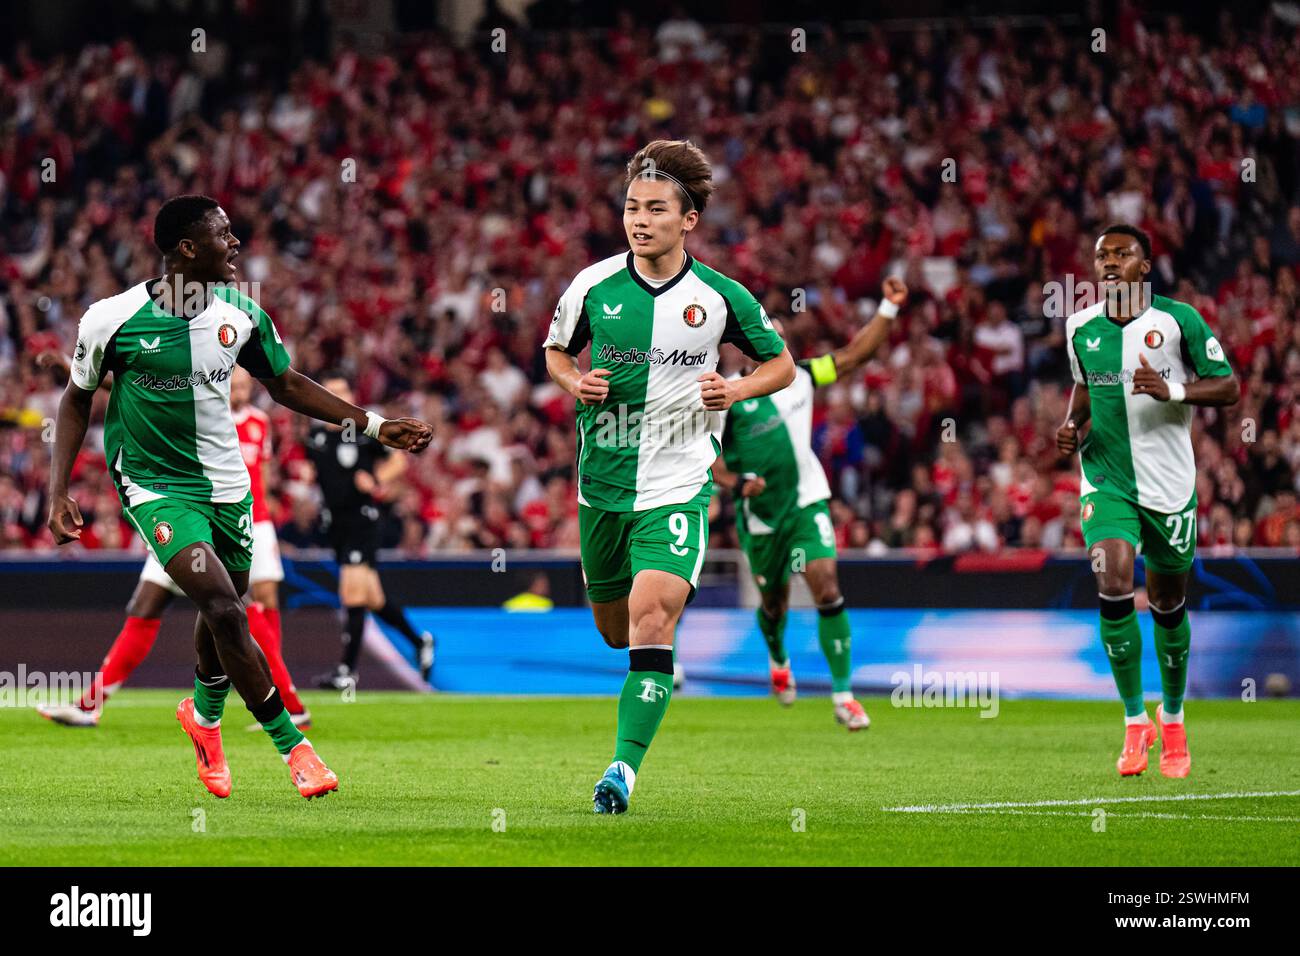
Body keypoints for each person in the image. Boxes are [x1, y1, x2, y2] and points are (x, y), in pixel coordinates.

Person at [47, 194, 433, 799]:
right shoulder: (110, 319)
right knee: (228, 609)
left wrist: (377, 425)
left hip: (229, 491)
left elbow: (286, 385)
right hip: (154, 488)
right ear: (186, 249)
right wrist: (58, 491)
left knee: (219, 610)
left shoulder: (241, 313)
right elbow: (75, 399)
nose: (235, 245)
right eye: (222, 235)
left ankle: (202, 718)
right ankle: (296, 750)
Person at [544, 140, 794, 814]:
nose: (639, 219)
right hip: (602, 486)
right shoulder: (592, 285)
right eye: (631, 207)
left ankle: (621, 773)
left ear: (688, 220)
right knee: (616, 631)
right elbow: (555, 353)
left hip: (679, 485)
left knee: (652, 616)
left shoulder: (721, 296)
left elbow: (783, 365)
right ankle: (651, 673)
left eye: (655, 208)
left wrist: (735, 391)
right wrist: (576, 381)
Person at [1057, 224, 1239, 778]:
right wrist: (1070, 424)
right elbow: (1084, 387)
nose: (1109, 262)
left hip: (1169, 486)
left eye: (1122, 253)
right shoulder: (1079, 327)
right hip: (1107, 480)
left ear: (1145, 264)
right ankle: (1136, 722)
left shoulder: (1179, 320)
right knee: (1112, 581)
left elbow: (1228, 387)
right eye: (1101, 255)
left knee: (1166, 605)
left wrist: (1173, 390)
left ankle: (1175, 716)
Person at [37, 365, 311, 728]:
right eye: (235, 383)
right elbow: (132, 383)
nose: (239, 390)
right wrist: (78, 371)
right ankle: (91, 703)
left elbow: (259, 477)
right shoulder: (193, 408)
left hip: (239, 523)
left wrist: (263, 520)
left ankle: (288, 705)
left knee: (242, 612)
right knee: (149, 604)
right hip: (183, 518)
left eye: (246, 385)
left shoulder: (259, 423)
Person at [713, 278, 908, 731]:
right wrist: (736, 482)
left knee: (826, 586)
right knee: (775, 605)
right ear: (746, 347)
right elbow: (710, 460)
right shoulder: (727, 396)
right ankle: (778, 659)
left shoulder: (802, 376)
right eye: (766, 337)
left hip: (805, 502)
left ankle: (844, 695)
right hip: (761, 517)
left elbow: (854, 355)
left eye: (780, 337)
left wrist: (888, 308)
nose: (774, 343)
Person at [307, 371, 435, 690]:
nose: (335, 399)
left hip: (361, 521)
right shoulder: (317, 436)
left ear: (351, 397)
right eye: (330, 393)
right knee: (373, 597)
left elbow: (399, 462)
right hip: (335, 526)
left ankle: (347, 672)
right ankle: (419, 642)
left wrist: (377, 482)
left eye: (341, 392)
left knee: (352, 592)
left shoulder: (363, 431)